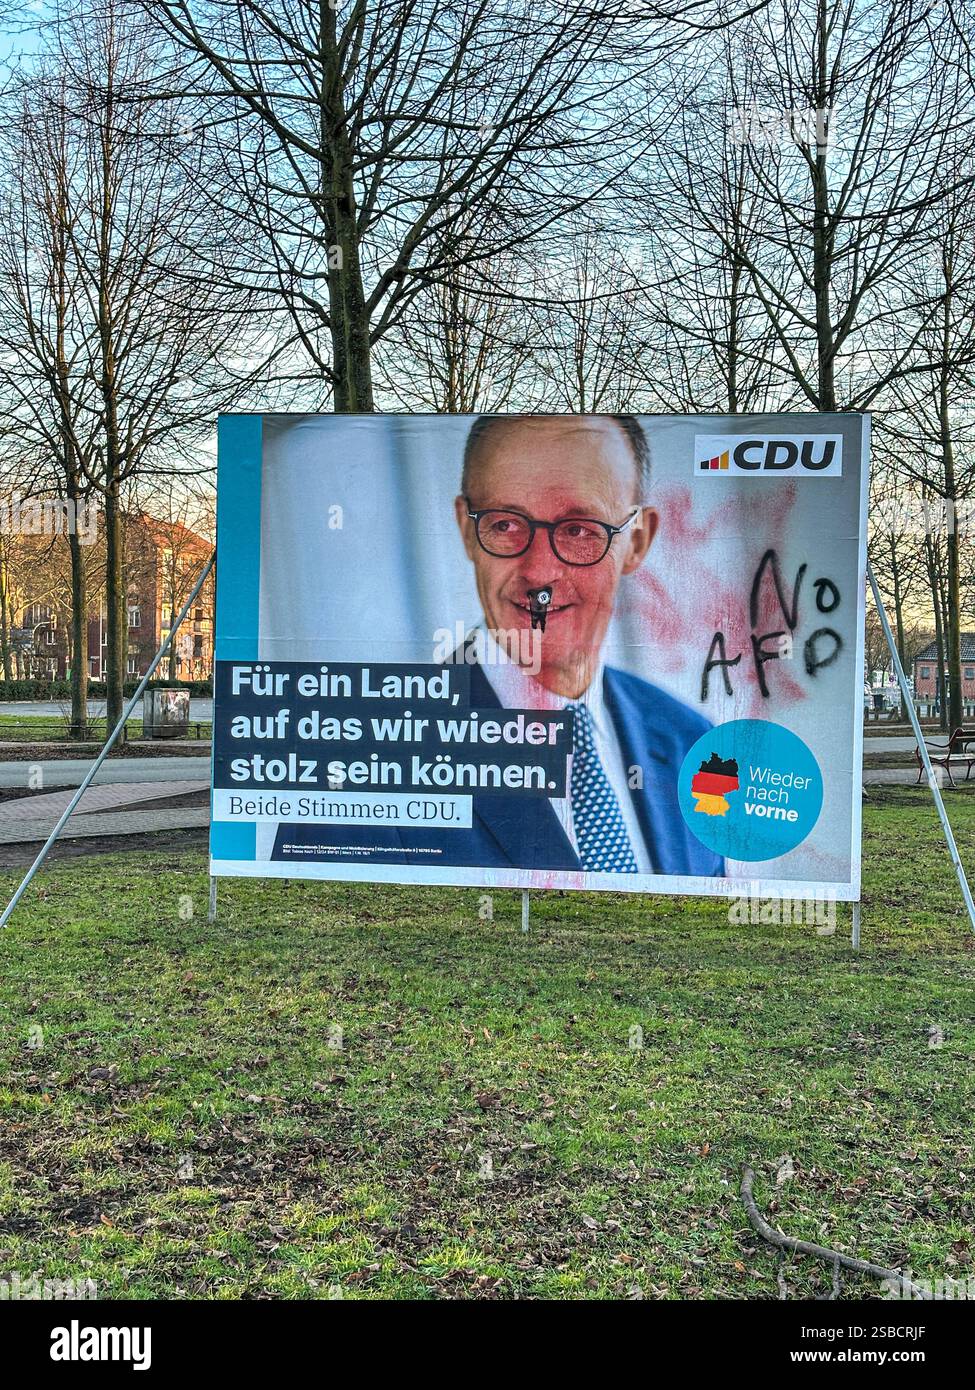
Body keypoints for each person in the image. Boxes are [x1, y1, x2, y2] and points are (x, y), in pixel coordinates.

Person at [272, 414, 723, 879]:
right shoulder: (361, 762)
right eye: (506, 525)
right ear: (468, 533)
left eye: (580, 529)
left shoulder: (692, 744)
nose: (540, 573)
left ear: (638, 540)